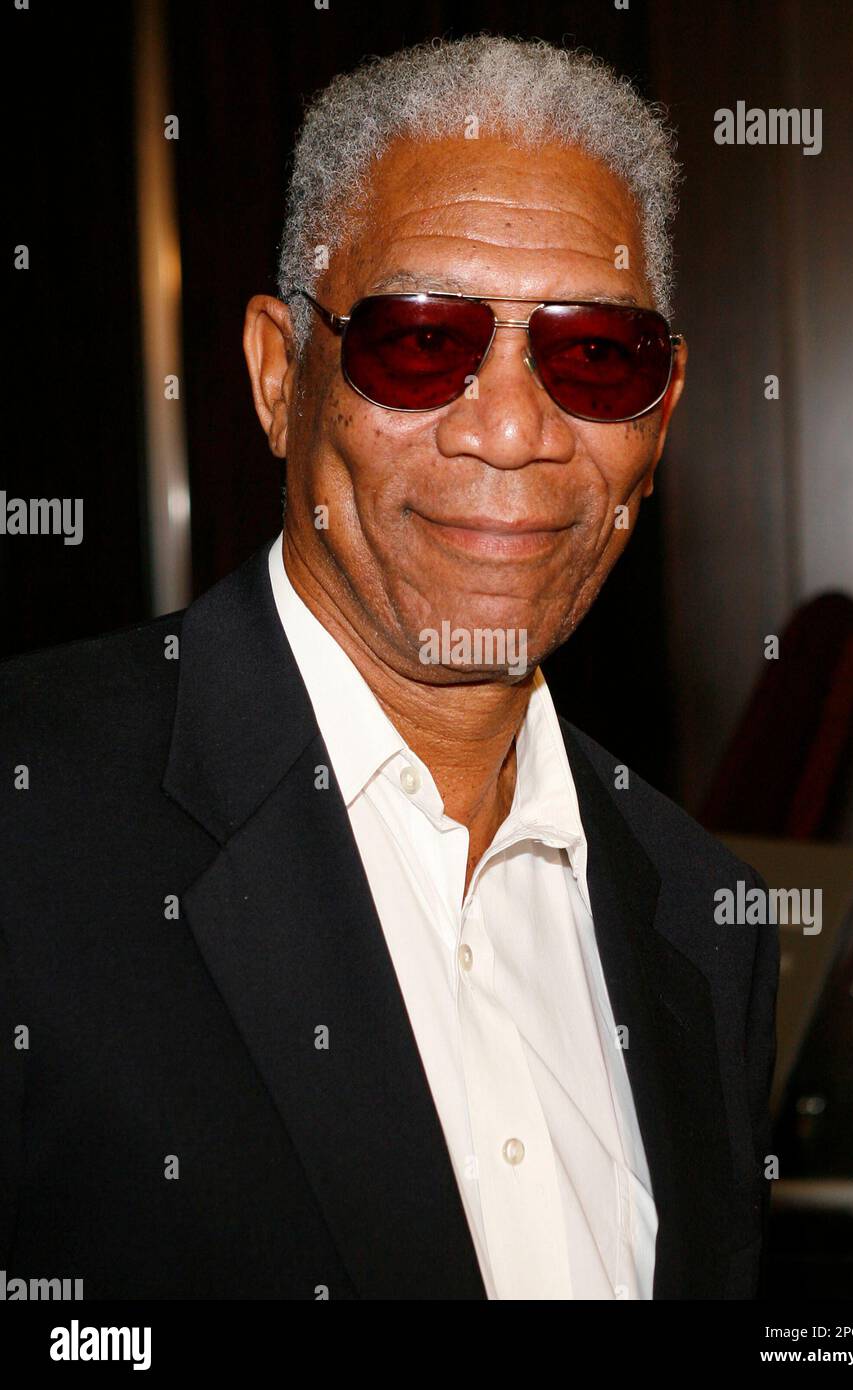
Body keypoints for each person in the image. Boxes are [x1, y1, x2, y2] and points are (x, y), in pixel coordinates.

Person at [0, 35, 778, 1300]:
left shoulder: (706, 926)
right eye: (421, 341)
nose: (513, 430)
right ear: (275, 373)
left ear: (663, 411)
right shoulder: (34, 829)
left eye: (594, 357)